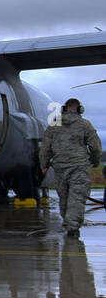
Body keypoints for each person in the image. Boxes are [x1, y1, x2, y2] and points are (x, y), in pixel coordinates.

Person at [38, 97, 101, 238]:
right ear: (80, 109)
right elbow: (95, 147)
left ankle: (68, 223)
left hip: (60, 167)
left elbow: (45, 148)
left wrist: (44, 165)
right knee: (77, 197)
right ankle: (72, 226)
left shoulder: (53, 125)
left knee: (64, 196)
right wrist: (95, 161)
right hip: (79, 166)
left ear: (64, 108)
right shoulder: (85, 124)